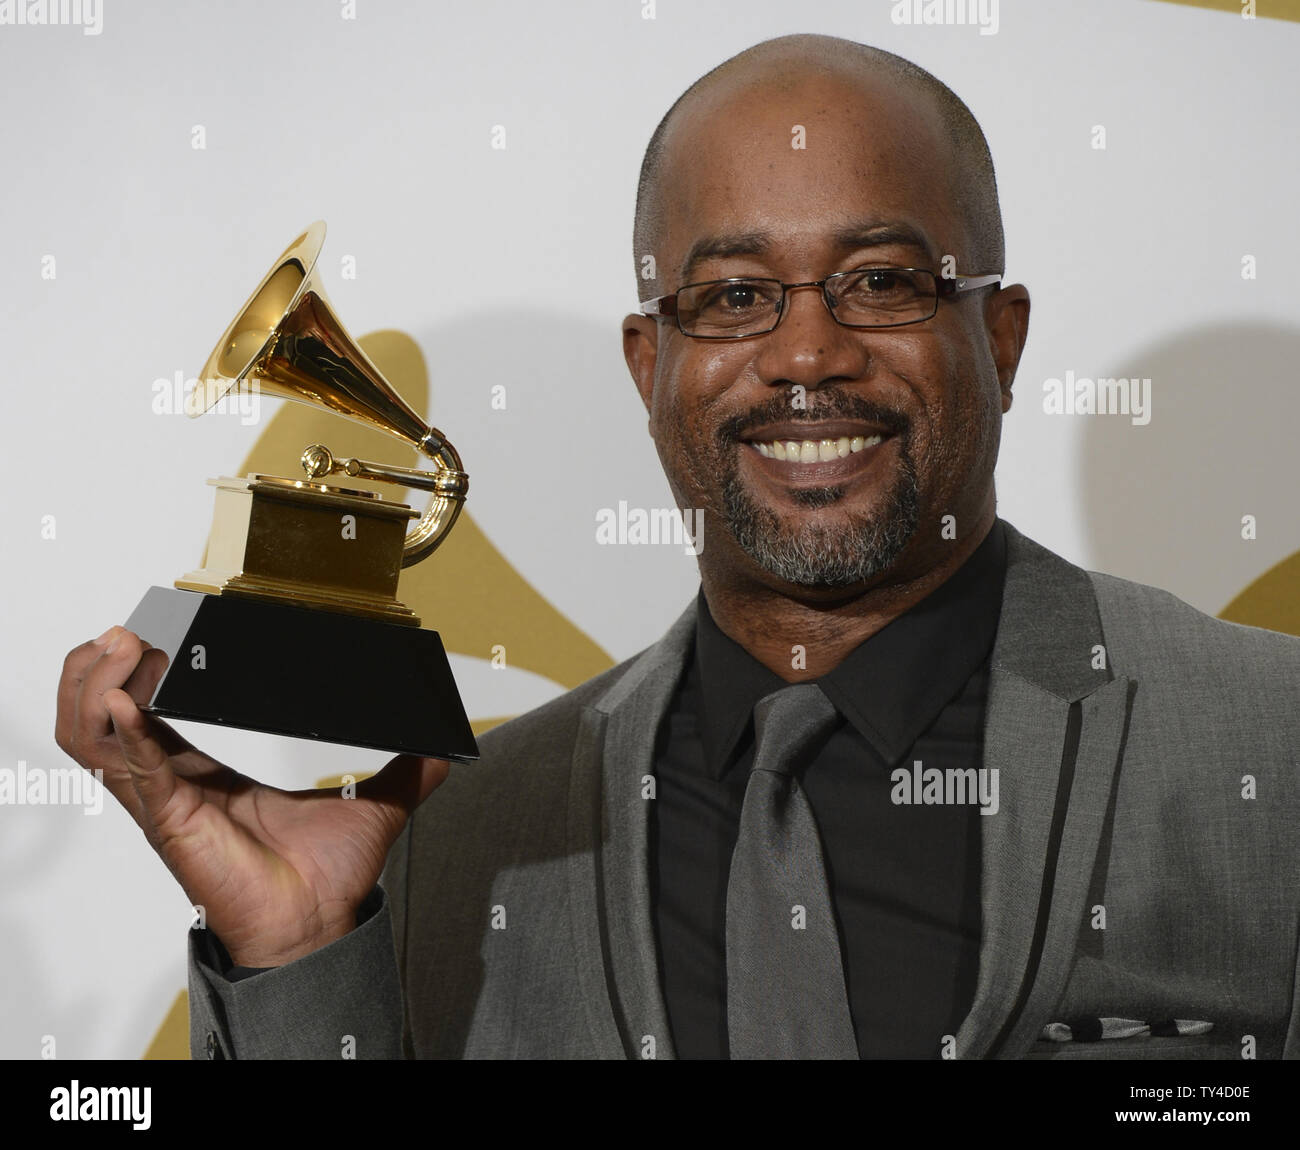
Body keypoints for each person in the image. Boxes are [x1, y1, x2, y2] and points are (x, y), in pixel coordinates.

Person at [56, 33, 1300, 1061]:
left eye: (880, 281)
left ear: (1003, 338)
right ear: (651, 366)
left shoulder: (1267, 741)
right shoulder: (460, 833)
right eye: (733, 297)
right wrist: (300, 960)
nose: (808, 356)